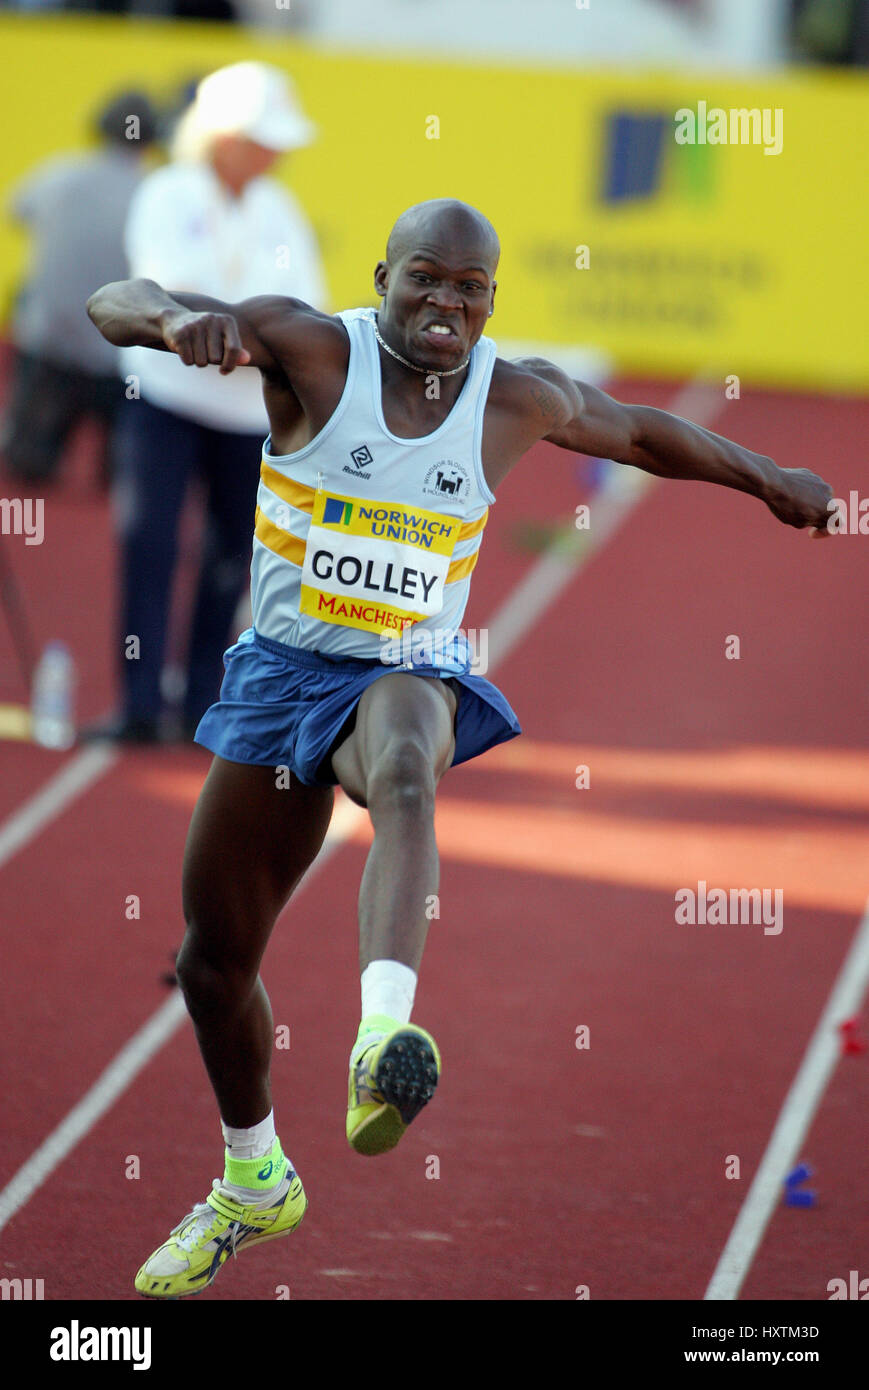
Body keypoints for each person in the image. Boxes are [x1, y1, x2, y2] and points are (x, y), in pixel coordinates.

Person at [86, 198, 833, 1300]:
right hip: (278, 674)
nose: (445, 303)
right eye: (424, 280)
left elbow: (637, 431)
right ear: (383, 277)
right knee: (210, 960)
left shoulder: (514, 396)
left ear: (492, 300)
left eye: (469, 288)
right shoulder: (307, 346)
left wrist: (768, 475)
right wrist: (167, 320)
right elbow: (118, 302)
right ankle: (253, 1180)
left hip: (404, 671)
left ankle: (381, 1036)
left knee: (400, 767)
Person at [92, 62, 327, 743]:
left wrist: (244, 339)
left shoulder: (278, 208)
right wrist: (248, 334)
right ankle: (138, 703)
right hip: (162, 397)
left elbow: (301, 304)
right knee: (149, 542)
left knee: (232, 557)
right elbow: (168, 295)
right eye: (263, 139)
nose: (276, 154)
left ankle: (200, 700)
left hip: (247, 414)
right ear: (223, 135)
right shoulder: (167, 192)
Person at [1, 90, 158, 488]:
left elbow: (18, 213)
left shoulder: (59, 174)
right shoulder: (154, 193)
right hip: (121, 354)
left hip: (49, 345)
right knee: (123, 478)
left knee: (26, 468)